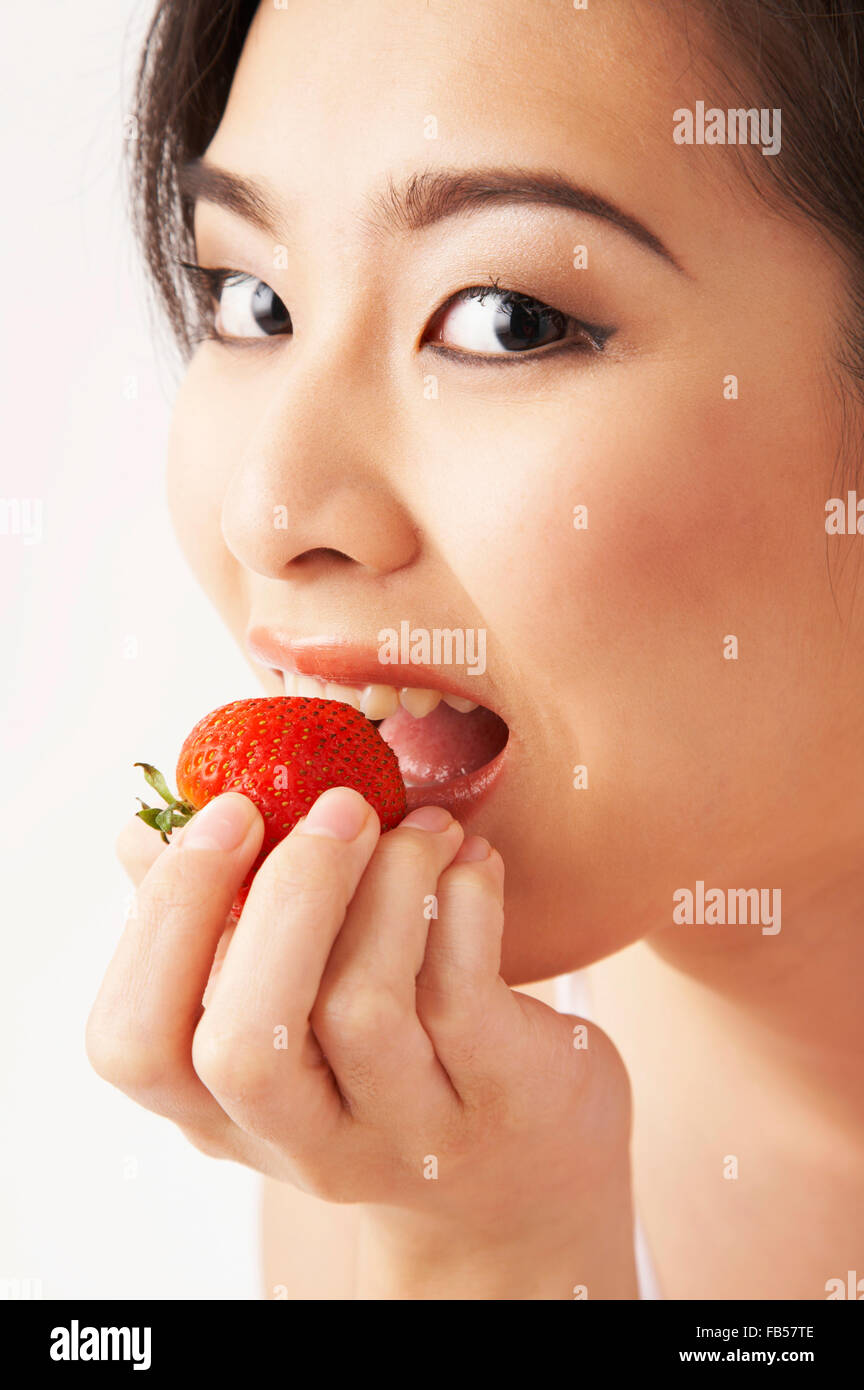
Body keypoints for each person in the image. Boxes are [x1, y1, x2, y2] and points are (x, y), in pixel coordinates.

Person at [87, 0, 864, 1299]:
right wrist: (484, 1245)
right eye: (253, 296)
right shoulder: (407, 1102)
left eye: (507, 317)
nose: (268, 509)